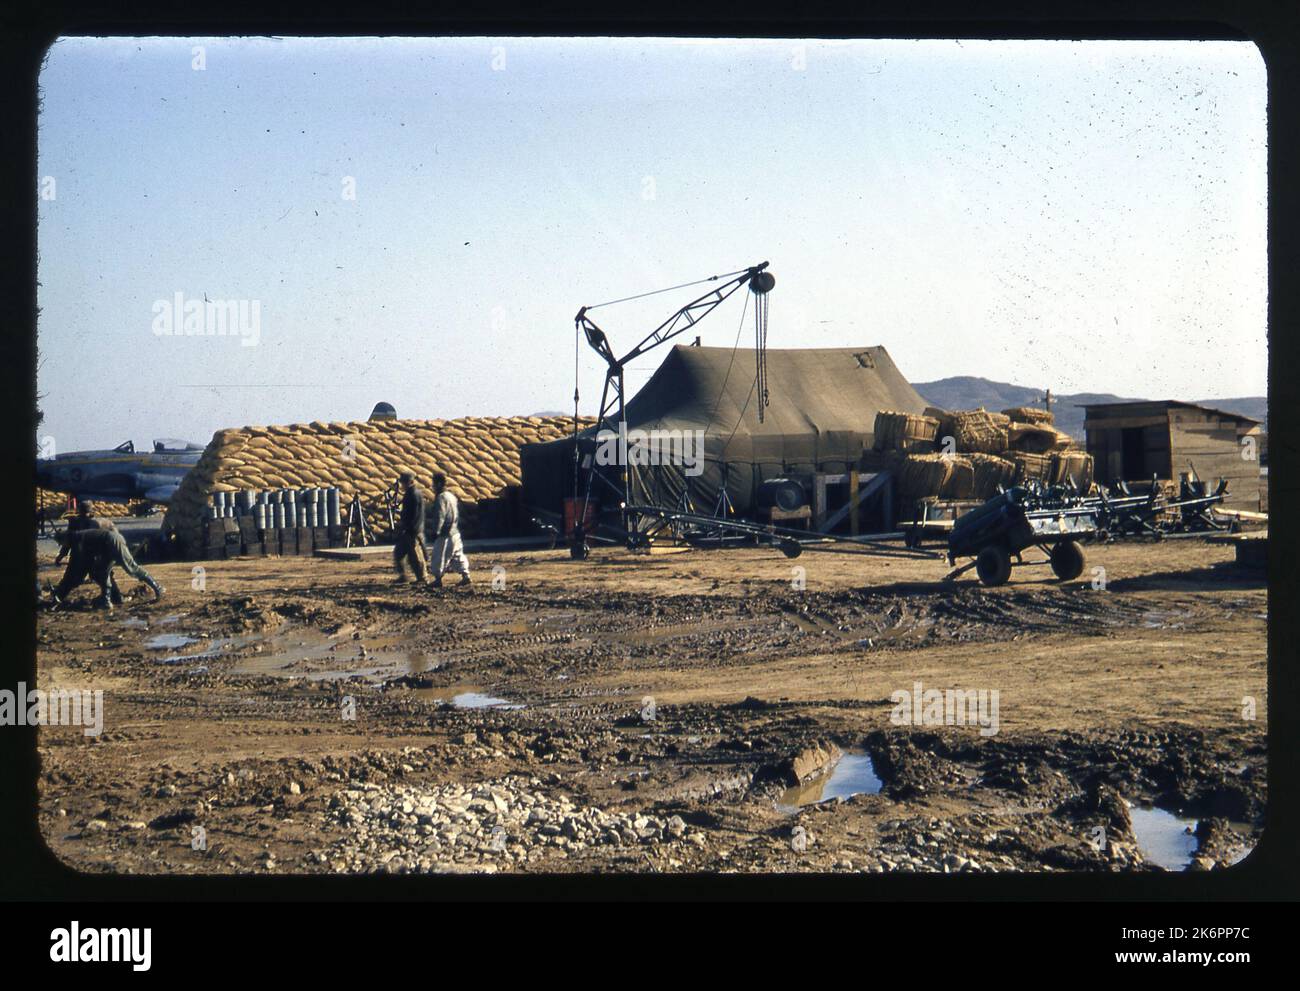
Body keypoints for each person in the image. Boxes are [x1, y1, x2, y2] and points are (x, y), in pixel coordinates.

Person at [51, 527, 163, 610]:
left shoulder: (77, 541)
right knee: (100, 572)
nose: (62, 545)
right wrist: (60, 557)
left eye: (61, 543)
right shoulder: (75, 537)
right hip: (105, 547)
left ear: (64, 539)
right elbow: (74, 557)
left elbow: (74, 567)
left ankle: (157, 587)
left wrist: (62, 589)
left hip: (113, 541)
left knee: (131, 568)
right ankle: (106, 600)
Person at [428, 472, 470, 588]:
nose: (433, 487)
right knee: (457, 555)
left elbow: (440, 515)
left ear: (439, 484)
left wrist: (436, 531)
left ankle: (437, 579)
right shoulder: (452, 496)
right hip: (455, 532)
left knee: (439, 556)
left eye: (434, 484)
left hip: (445, 534)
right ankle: (466, 575)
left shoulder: (441, 498)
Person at [393, 470, 428, 584]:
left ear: (410, 482)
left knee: (416, 555)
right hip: (408, 529)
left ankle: (422, 577)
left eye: (404, 483)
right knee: (399, 552)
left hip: (413, 530)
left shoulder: (413, 494)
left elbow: (414, 514)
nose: (402, 485)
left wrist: (411, 528)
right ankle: (403, 575)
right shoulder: (410, 493)